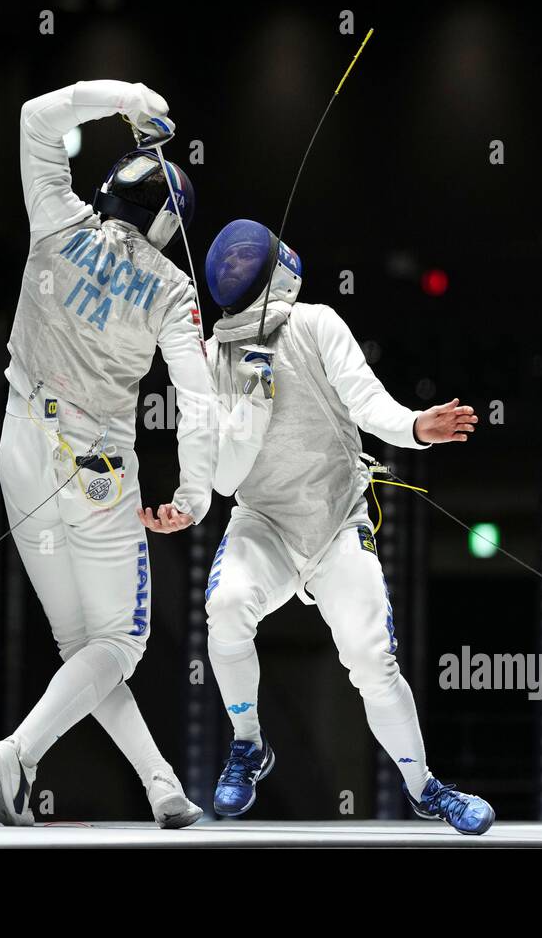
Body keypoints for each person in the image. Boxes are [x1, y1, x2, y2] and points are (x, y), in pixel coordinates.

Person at [200, 218, 495, 834]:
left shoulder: (316, 324)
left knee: (369, 657)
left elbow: (368, 404)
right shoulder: (214, 355)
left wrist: (417, 426)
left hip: (336, 524)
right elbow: (223, 477)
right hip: (264, 525)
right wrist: (247, 409)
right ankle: (248, 744)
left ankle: (426, 789)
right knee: (226, 607)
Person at [0, 80, 216, 829]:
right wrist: (198, 492)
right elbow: (198, 397)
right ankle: (19, 750)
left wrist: (130, 97)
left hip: (18, 444)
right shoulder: (171, 289)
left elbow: (35, 117)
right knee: (120, 641)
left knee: (85, 646)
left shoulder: (56, 219)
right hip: (97, 472)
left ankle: (161, 785)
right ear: (168, 228)